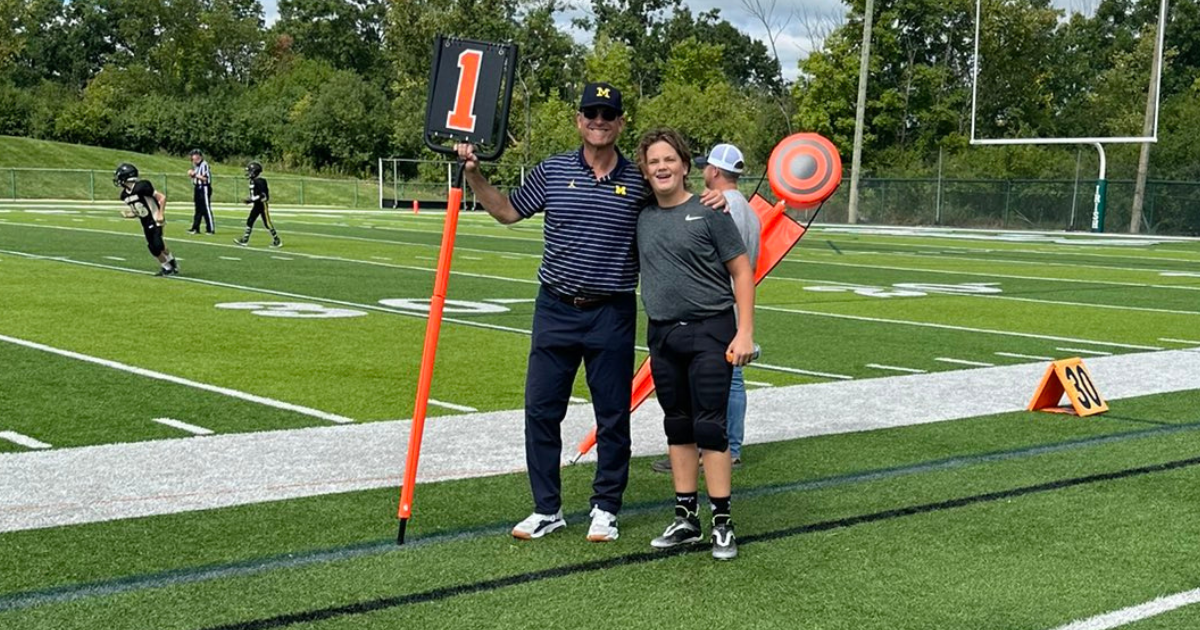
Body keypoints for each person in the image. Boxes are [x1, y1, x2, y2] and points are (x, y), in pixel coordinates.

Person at [455, 82, 648, 543]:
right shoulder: (553, 170)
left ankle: (606, 507)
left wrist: (716, 197)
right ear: (578, 120)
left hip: (612, 311)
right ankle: (547, 508)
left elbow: (675, 202)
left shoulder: (640, 179)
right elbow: (506, 212)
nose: (599, 121)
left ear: (621, 123)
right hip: (556, 307)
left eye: (608, 115)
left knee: (613, 415)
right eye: (591, 114)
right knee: (541, 411)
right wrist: (473, 175)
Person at [635, 128, 755, 560]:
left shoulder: (710, 211)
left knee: (710, 427)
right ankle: (686, 517)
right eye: (653, 162)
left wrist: (744, 331)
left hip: (710, 328)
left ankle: (722, 521)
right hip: (664, 332)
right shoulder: (642, 213)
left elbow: (741, 272)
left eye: (669, 159)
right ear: (645, 171)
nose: (662, 167)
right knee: (678, 425)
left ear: (686, 165)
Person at [650, 143, 761, 473]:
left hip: (716, 309)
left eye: (704, 168)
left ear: (714, 171)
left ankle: (727, 446)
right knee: (729, 380)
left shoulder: (722, 207)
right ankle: (720, 444)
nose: (702, 173)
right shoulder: (747, 207)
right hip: (727, 304)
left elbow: (728, 263)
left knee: (728, 381)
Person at [114, 163, 179, 277]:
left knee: (157, 245)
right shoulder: (124, 195)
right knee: (153, 247)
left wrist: (161, 214)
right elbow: (139, 211)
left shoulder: (143, 186)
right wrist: (129, 214)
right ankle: (168, 265)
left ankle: (169, 264)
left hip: (155, 219)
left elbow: (162, 198)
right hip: (145, 222)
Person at [235, 161, 282, 248]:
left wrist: (251, 200)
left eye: (249, 171)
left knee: (267, 223)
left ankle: (277, 240)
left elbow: (263, 195)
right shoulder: (253, 181)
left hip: (262, 205)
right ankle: (245, 240)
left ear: (254, 171)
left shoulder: (260, 182)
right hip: (257, 204)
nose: (248, 173)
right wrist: (252, 200)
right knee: (250, 220)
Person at [187, 149, 215, 235]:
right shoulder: (196, 166)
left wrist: (194, 175)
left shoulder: (204, 165)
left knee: (206, 208)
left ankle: (210, 228)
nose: (193, 159)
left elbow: (205, 178)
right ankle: (195, 227)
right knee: (198, 209)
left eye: (194, 157)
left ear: (198, 156)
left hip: (204, 188)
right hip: (198, 188)